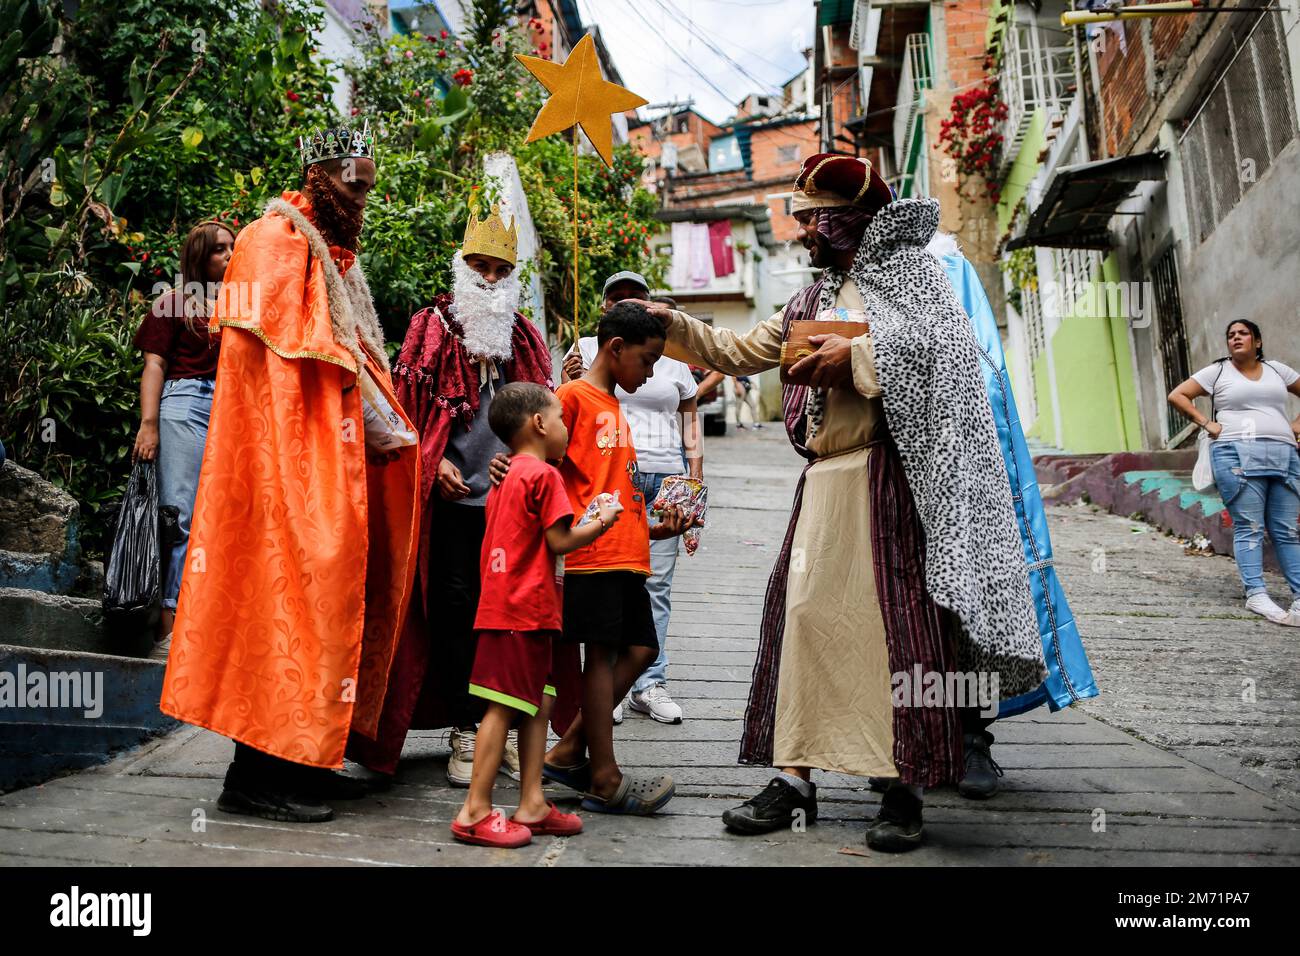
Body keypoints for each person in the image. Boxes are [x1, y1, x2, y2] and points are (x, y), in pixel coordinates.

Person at [631, 153, 1047, 851]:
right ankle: (794, 780)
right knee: (803, 620)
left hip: (894, 479)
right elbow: (735, 350)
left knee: (895, 630)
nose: (803, 235)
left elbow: (945, 357)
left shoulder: (915, 279)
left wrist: (851, 361)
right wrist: (669, 322)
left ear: (848, 218)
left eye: (812, 220)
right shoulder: (807, 300)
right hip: (822, 484)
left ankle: (901, 787)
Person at [160, 119, 422, 823]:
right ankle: (254, 778)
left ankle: (306, 762)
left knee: (325, 609)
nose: (362, 195)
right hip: (278, 467)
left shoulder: (329, 252)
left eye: (368, 183)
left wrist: (378, 425)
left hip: (322, 460)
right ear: (320, 176)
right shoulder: (269, 240)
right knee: (281, 610)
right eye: (352, 181)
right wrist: (367, 420)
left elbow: (349, 351)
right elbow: (288, 358)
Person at [346, 203, 554, 787]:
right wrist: (431, 466)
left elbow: (545, 418)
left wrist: (524, 458)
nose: (489, 280)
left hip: (511, 510)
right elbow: (406, 416)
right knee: (456, 617)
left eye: (500, 271)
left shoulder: (526, 339)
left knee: (507, 621)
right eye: (480, 267)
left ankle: (500, 729)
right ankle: (466, 731)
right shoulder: (429, 326)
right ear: (461, 267)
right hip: (450, 508)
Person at [451, 382, 620, 847]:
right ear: (541, 424)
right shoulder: (544, 476)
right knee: (503, 706)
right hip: (521, 610)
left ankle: (533, 802)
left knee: (538, 702)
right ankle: (474, 810)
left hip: (522, 608)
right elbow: (559, 541)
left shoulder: (506, 476)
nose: (567, 429)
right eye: (563, 419)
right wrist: (602, 521)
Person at [540, 301, 693, 814]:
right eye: (647, 360)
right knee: (601, 657)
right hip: (593, 554)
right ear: (616, 348)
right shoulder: (573, 398)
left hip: (628, 550)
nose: (650, 372)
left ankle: (566, 753)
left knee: (642, 650)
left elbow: (611, 488)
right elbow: (542, 468)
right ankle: (603, 776)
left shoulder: (611, 404)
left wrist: (652, 526)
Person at [561, 276, 703, 725]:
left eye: (634, 298)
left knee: (654, 588)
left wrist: (694, 485)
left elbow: (691, 425)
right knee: (603, 627)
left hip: (660, 476)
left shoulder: (672, 362)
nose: (649, 372)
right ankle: (600, 712)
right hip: (598, 511)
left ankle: (648, 685)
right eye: (616, 298)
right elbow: (548, 441)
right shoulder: (582, 366)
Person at [131, 219, 235, 660]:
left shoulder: (239, 307)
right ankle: (169, 628)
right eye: (220, 250)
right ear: (199, 257)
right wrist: (148, 424)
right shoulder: (173, 303)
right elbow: (154, 365)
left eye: (233, 248)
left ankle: (207, 624)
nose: (230, 256)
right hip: (184, 405)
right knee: (180, 515)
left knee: (222, 521)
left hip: (231, 410)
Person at [1169, 320, 1300, 625]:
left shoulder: (1278, 370)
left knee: (1287, 529)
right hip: (1235, 454)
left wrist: (1294, 427)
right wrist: (1205, 422)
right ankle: (1256, 594)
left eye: (1243, 334)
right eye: (1231, 335)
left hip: (1283, 455)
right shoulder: (1218, 371)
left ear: (1258, 340)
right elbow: (1178, 395)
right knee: (1250, 525)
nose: (1236, 338)